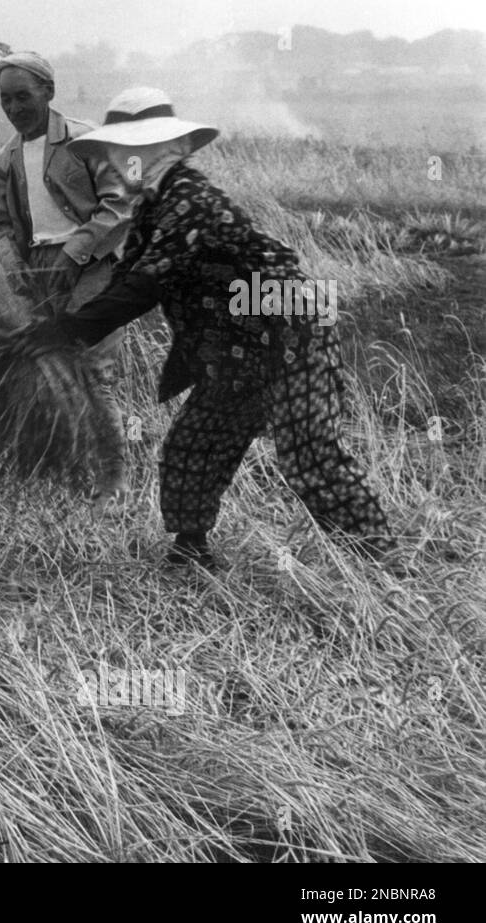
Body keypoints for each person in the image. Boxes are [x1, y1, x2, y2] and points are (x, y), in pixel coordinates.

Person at [31, 87, 393, 568]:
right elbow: (124, 281)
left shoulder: (190, 200)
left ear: (169, 150)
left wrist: (67, 332)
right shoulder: (152, 211)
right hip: (236, 345)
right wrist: (60, 329)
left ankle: (377, 557)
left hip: (289, 331)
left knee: (310, 454)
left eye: (130, 154)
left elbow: (143, 286)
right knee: (193, 445)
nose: (118, 166)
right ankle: (191, 552)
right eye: (114, 157)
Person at [0, 45, 134, 501]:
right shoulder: (4, 158)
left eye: (23, 96)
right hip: (38, 276)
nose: (14, 108)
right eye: (5, 99)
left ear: (48, 91)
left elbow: (120, 204)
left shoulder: (87, 140)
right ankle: (64, 474)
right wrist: (16, 271)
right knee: (48, 373)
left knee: (92, 373)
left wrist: (75, 252)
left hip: (90, 269)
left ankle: (113, 483)